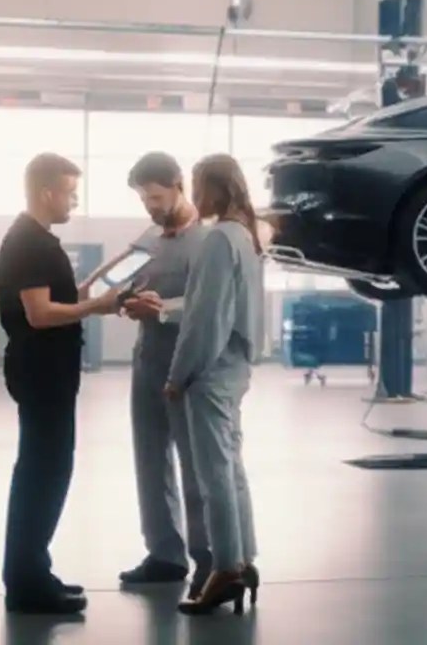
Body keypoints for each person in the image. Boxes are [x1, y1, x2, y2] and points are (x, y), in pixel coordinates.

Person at [0, 152, 122, 614]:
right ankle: (28, 583)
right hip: (41, 372)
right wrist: (98, 307)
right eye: (70, 191)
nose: (74, 200)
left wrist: (88, 289)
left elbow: (52, 299)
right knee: (42, 474)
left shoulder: (37, 239)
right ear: (48, 193)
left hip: (45, 371)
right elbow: (40, 313)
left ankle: (33, 572)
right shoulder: (31, 242)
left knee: (43, 472)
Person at [163, 154, 265, 616]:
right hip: (237, 367)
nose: (194, 196)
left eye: (198, 186)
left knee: (213, 475)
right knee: (232, 468)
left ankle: (225, 568)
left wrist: (178, 375)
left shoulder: (217, 240)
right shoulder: (245, 236)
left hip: (211, 371)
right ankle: (244, 559)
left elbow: (205, 320)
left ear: (217, 190)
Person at [110, 152, 214, 598]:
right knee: (150, 460)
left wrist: (162, 309)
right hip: (148, 359)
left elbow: (213, 306)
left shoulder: (210, 242)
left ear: (178, 187)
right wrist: (118, 299)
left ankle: (208, 557)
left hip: (189, 365)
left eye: (155, 197)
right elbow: (114, 284)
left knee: (195, 466)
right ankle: (165, 555)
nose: (149, 206)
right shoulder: (148, 238)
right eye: (142, 199)